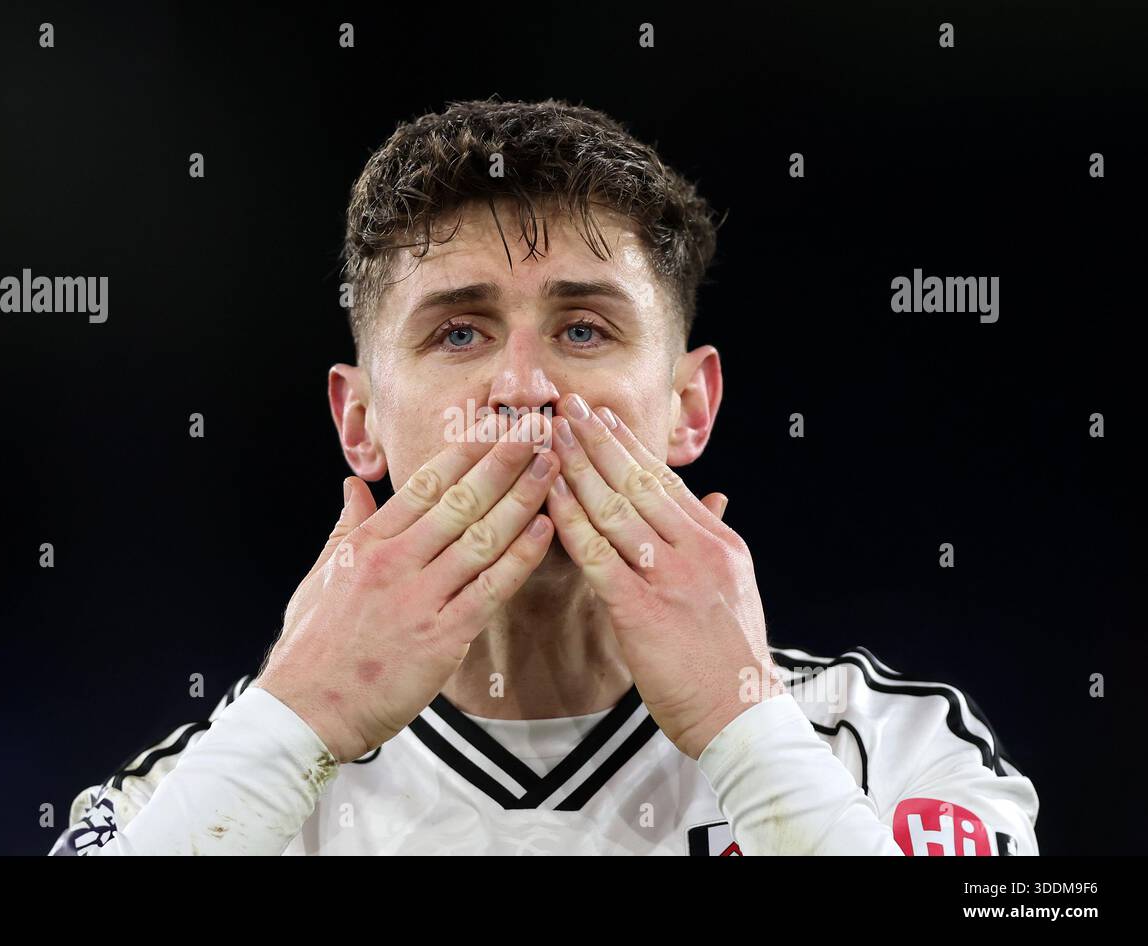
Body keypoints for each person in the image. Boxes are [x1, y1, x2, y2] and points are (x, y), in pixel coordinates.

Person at [51, 98, 1038, 855]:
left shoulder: (889, 745)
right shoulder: (204, 790)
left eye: (582, 328)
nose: (522, 388)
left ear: (690, 406)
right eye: (460, 331)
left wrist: (744, 728)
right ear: (360, 422)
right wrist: (292, 719)